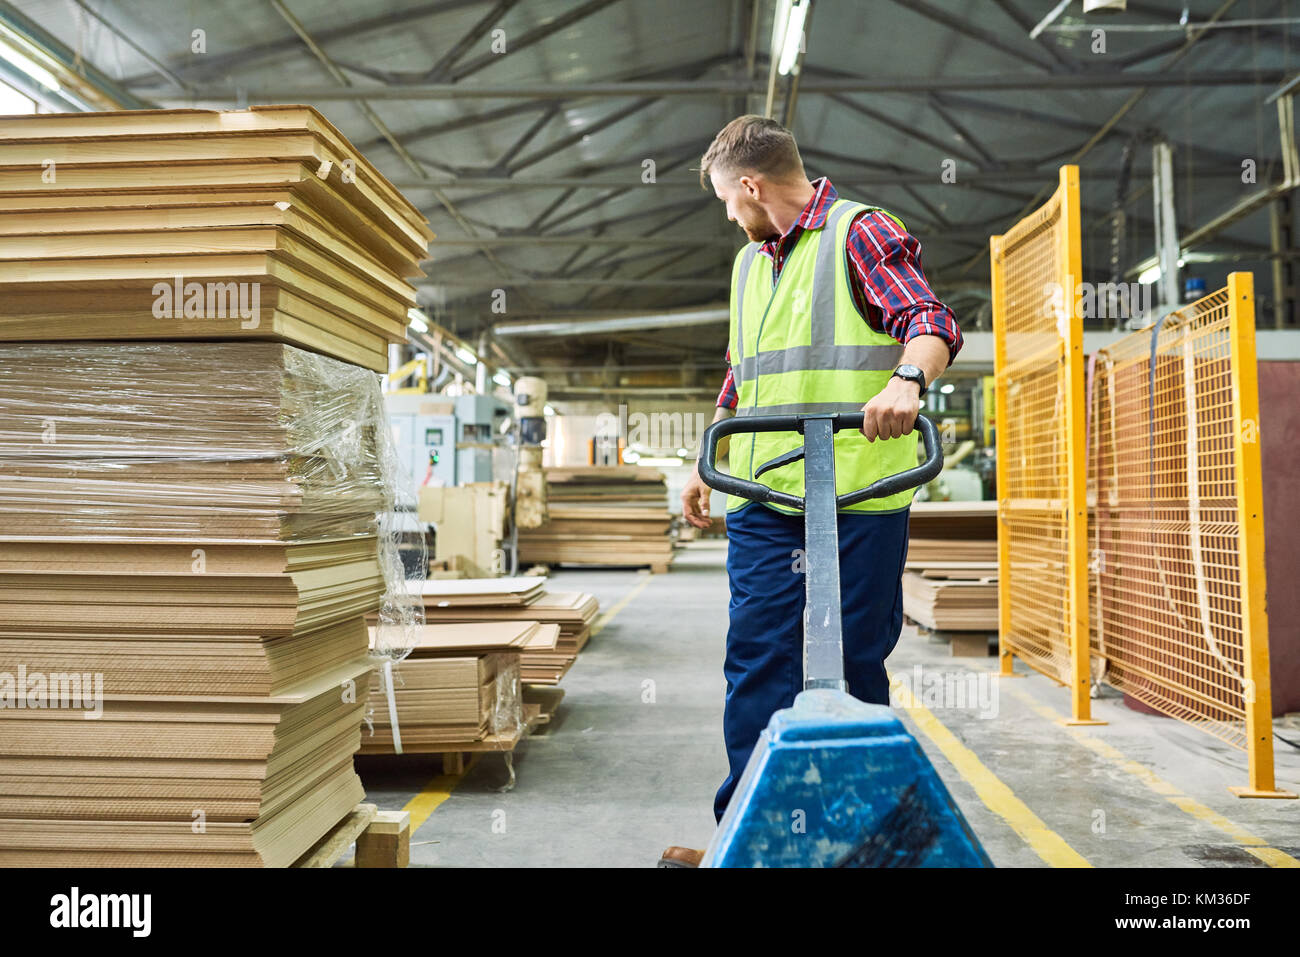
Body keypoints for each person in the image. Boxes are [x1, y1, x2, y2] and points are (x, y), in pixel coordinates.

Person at [659, 115, 962, 869]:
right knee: (758, 658)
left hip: (857, 495)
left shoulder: (859, 234)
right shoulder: (749, 265)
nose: (729, 214)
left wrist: (908, 378)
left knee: (853, 665)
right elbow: (743, 370)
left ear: (753, 186)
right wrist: (707, 453)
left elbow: (930, 322)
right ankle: (748, 839)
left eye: (729, 199)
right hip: (765, 498)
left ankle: (859, 843)